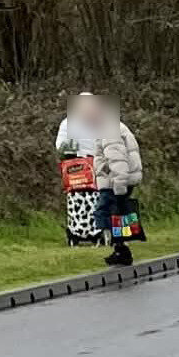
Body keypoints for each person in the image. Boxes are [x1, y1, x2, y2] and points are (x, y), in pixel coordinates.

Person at [91, 102, 144, 266]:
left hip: (114, 182)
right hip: (117, 180)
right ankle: (121, 248)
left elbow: (118, 160)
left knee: (105, 213)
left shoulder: (109, 131)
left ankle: (119, 246)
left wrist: (119, 185)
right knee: (119, 216)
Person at [56, 92, 106, 246]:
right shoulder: (68, 124)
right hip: (76, 169)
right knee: (76, 199)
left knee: (98, 199)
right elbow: (60, 145)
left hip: (98, 167)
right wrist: (74, 150)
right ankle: (76, 232)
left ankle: (97, 231)